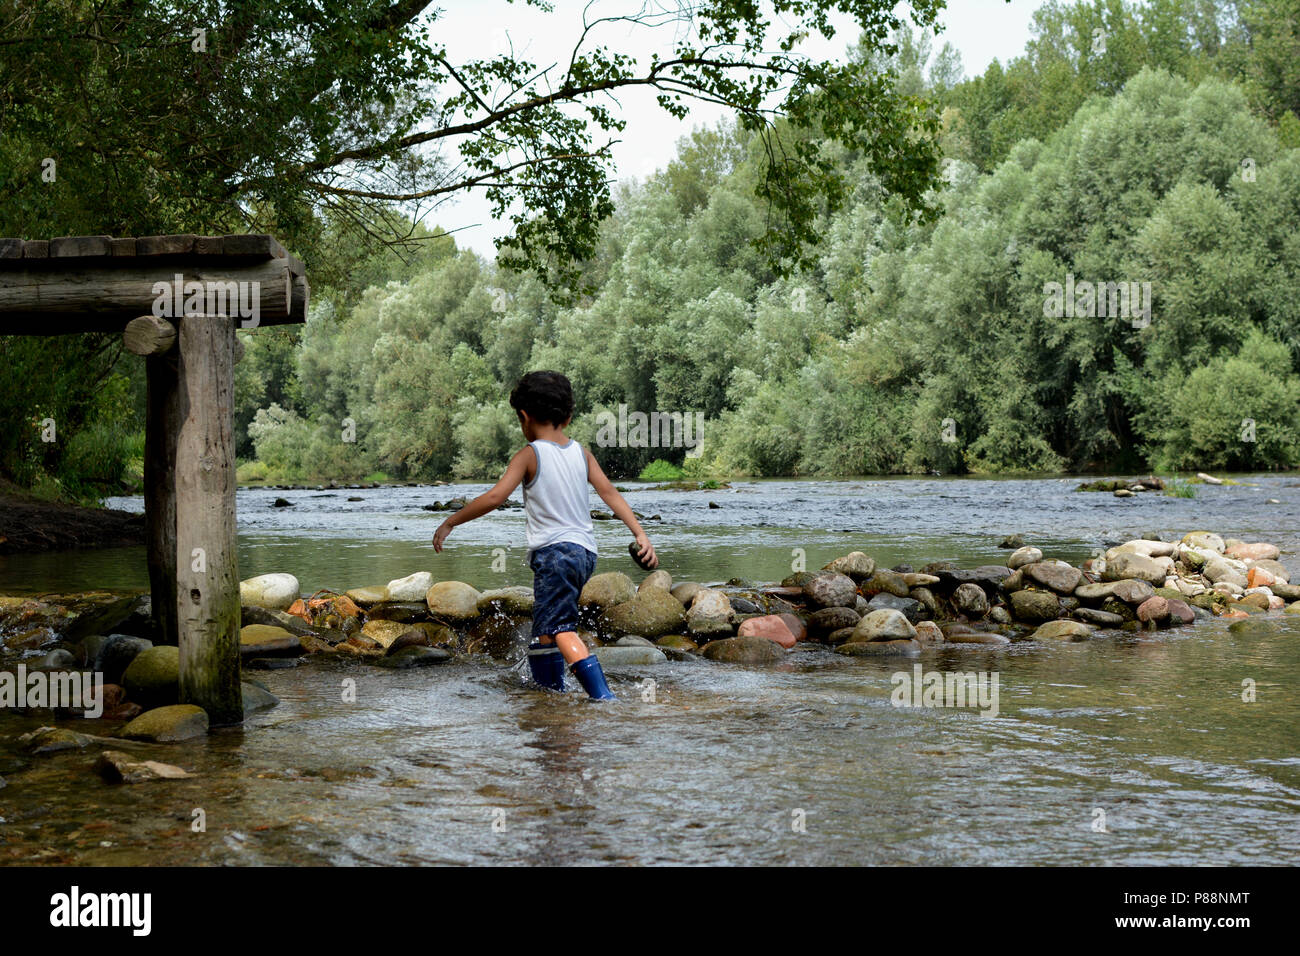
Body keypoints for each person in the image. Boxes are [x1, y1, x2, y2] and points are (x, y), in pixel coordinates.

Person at [432, 370, 657, 700]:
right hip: (584, 554)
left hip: (555, 556)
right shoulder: (582, 453)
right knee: (545, 629)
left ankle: (603, 697)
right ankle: (549, 693)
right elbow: (610, 494)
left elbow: (495, 497)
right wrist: (641, 534)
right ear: (568, 416)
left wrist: (451, 521)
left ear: (524, 417)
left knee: (560, 629)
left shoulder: (529, 455)